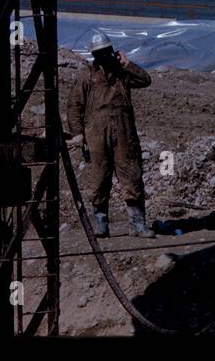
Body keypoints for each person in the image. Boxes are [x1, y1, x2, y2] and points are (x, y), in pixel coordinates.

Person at [65, 32, 155, 238]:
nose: (104, 56)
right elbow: (74, 105)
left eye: (107, 52)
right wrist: (77, 134)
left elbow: (145, 80)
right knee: (99, 178)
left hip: (124, 133)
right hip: (96, 134)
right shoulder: (86, 75)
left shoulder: (122, 72)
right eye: (100, 53)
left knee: (131, 175)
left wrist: (127, 64)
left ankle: (137, 224)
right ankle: (101, 224)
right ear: (94, 55)